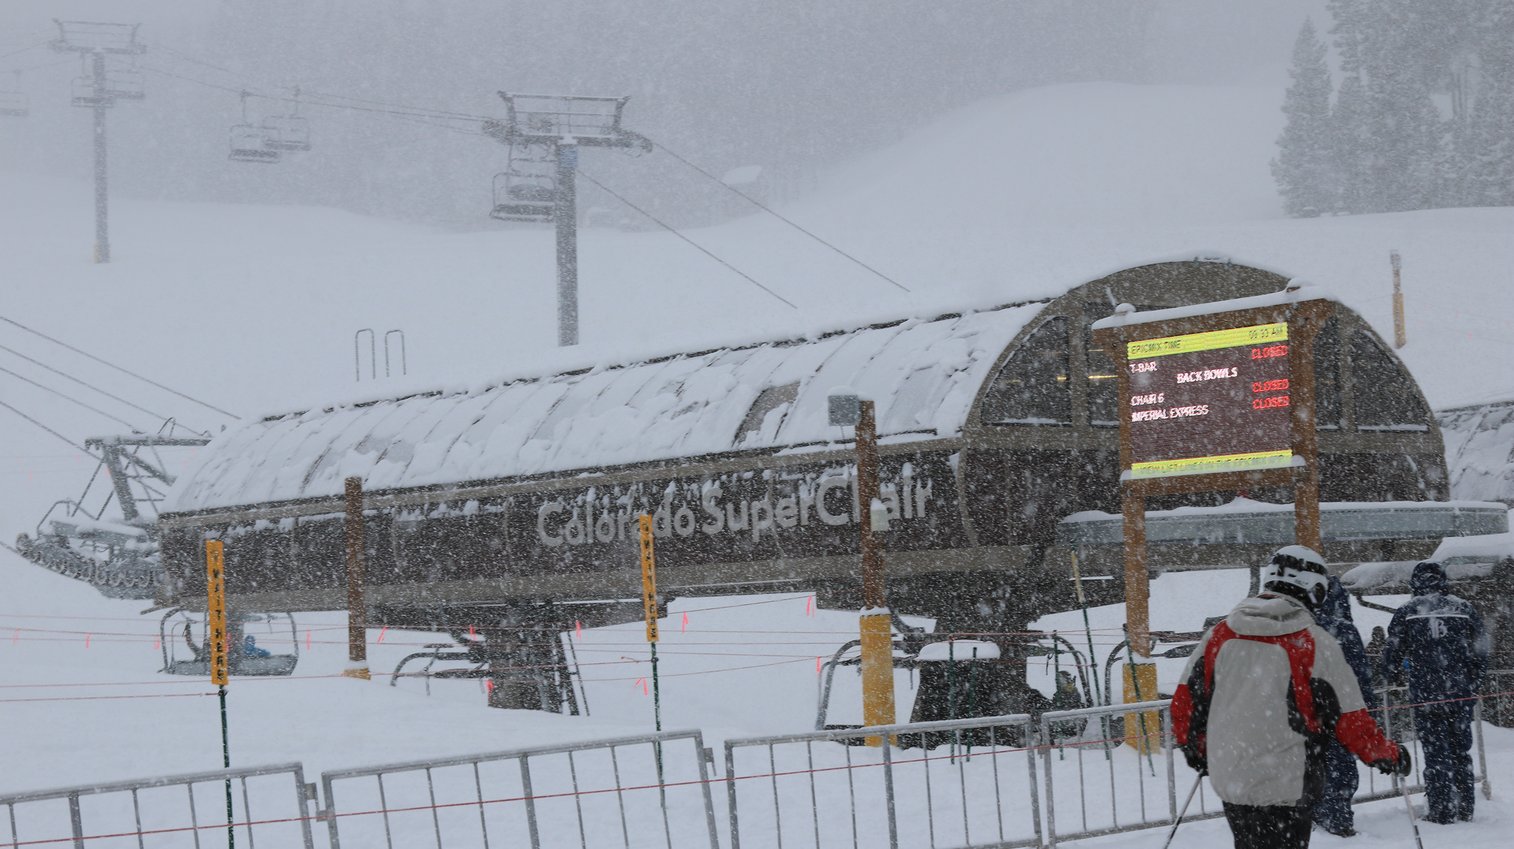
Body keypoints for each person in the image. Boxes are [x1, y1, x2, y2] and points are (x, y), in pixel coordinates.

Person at [1172, 546, 1409, 849]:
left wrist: (1197, 749)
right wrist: (1386, 754)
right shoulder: (1313, 642)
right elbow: (1351, 718)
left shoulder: (1220, 634)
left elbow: (1185, 702)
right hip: (1288, 778)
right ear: (1314, 588)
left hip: (1233, 775)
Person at [1381, 560, 1488, 824]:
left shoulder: (1407, 611)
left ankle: (1442, 808)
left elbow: (1392, 652)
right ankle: (1465, 806)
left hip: (1426, 695)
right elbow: (1481, 651)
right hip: (1460, 694)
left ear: (1415, 583)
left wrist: (1391, 677)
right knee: (1460, 751)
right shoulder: (1464, 608)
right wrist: (1472, 682)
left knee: (1436, 751)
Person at [1311, 577, 1377, 837]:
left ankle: (1321, 812)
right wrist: (1367, 707)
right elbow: (1361, 673)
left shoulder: (1301, 630)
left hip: (1310, 714)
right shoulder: (1345, 630)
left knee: (1316, 764)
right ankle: (1340, 814)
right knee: (1342, 765)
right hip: (1343, 710)